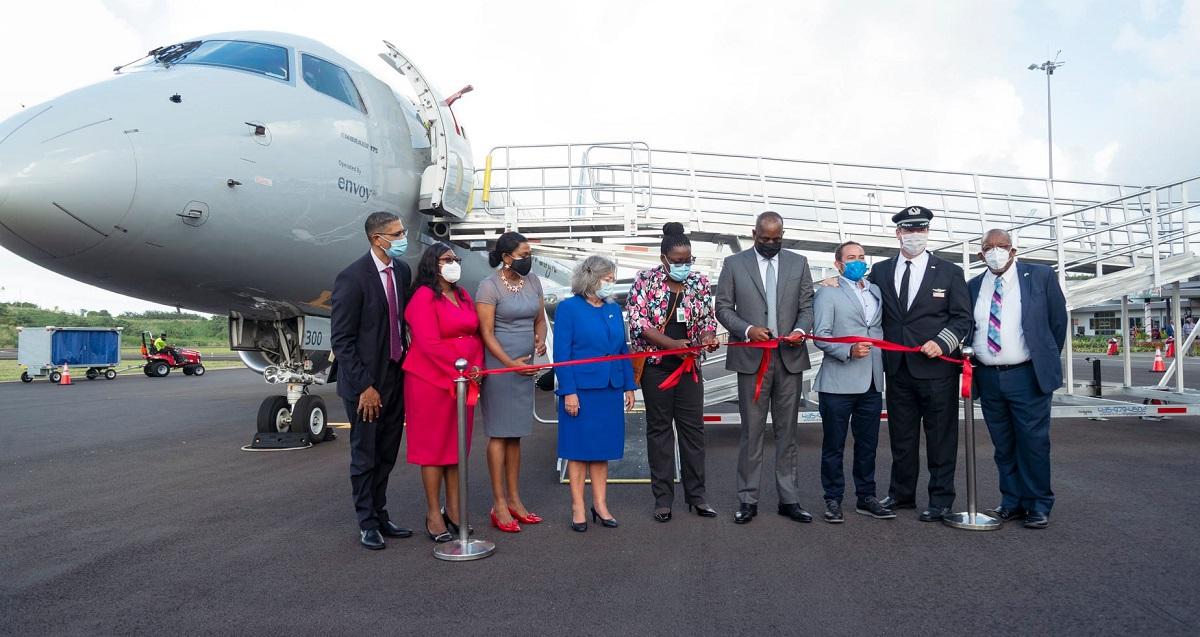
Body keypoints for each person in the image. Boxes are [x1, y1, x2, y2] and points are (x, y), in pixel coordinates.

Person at [870, 206, 972, 522]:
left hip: (937, 368)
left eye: (920, 230)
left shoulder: (949, 272)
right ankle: (901, 494)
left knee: (941, 436)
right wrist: (834, 283)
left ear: (927, 232)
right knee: (902, 436)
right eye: (908, 230)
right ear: (898, 233)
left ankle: (941, 499)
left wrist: (942, 342)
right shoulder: (881, 270)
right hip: (898, 368)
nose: (915, 236)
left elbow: (962, 318)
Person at [715, 211, 815, 525]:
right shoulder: (734, 264)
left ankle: (789, 499)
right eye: (765, 238)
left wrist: (800, 331)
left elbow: (807, 307)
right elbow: (722, 307)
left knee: (788, 434)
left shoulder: (798, 263)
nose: (771, 244)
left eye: (777, 239)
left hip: (789, 357)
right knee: (752, 433)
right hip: (752, 359)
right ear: (754, 233)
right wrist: (747, 330)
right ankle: (748, 500)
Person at [969, 229, 1066, 530]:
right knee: (1003, 444)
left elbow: (1056, 322)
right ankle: (1011, 501)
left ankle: (1038, 504)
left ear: (1013, 250)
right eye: (989, 247)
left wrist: (1041, 357)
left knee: (1033, 442)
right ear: (980, 253)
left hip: (1026, 374)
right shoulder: (973, 286)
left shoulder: (1039, 276)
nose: (995, 251)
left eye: (1002, 246)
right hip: (988, 376)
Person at [330, 211, 414, 550]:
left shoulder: (401, 272)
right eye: (396, 234)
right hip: (365, 385)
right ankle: (366, 522)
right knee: (364, 454)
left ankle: (380, 514)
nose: (403, 237)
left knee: (387, 452)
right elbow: (342, 339)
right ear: (377, 239)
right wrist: (365, 386)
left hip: (395, 375)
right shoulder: (352, 278)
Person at [627, 222, 720, 523]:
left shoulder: (700, 282)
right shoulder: (645, 281)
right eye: (678, 261)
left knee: (693, 431)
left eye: (688, 260)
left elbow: (708, 319)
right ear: (664, 257)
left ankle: (697, 496)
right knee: (660, 432)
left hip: (689, 367)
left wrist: (707, 338)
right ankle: (663, 499)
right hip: (657, 367)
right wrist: (671, 345)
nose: (684, 266)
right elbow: (639, 323)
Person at [404, 242, 484, 543]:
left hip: (463, 380)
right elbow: (428, 343)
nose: (454, 263)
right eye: (447, 259)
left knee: (456, 448)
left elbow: (474, 333)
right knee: (433, 450)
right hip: (431, 382)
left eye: (456, 259)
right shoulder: (423, 298)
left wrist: (474, 367)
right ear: (432, 264)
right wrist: (459, 370)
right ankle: (433, 514)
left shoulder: (463, 295)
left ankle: (454, 510)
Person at [812, 241, 895, 524]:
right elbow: (821, 334)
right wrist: (847, 350)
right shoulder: (827, 292)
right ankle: (833, 499)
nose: (858, 261)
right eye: (851, 258)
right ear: (839, 264)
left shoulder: (875, 291)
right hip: (838, 383)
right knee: (834, 445)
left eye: (861, 257)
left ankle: (866, 496)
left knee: (868, 444)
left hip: (872, 380)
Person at [554, 255, 638, 532]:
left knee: (602, 450)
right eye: (608, 278)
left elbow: (622, 349)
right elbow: (562, 355)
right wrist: (568, 392)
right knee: (578, 451)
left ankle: (600, 505)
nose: (611, 283)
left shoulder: (612, 309)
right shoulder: (568, 309)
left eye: (612, 278)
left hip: (610, 388)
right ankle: (578, 506)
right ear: (592, 277)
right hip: (581, 390)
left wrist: (628, 385)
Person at [476, 231, 548, 533]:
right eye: (523, 254)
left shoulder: (533, 282)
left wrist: (540, 341)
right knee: (499, 434)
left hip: (525, 365)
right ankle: (500, 503)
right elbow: (487, 333)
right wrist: (509, 365)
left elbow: (539, 319)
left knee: (516, 434)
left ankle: (516, 500)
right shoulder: (488, 286)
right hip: (501, 366)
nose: (528, 259)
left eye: (529, 253)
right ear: (506, 257)